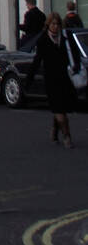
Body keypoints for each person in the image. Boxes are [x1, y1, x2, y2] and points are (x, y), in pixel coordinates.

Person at [25, 12, 78, 148]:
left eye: (57, 24)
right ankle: (67, 136)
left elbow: (74, 53)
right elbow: (37, 61)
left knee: (61, 109)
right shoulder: (43, 40)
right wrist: (28, 80)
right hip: (51, 80)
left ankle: (55, 131)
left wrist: (76, 67)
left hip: (64, 78)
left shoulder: (65, 38)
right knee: (59, 109)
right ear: (48, 25)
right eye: (53, 24)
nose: (55, 27)